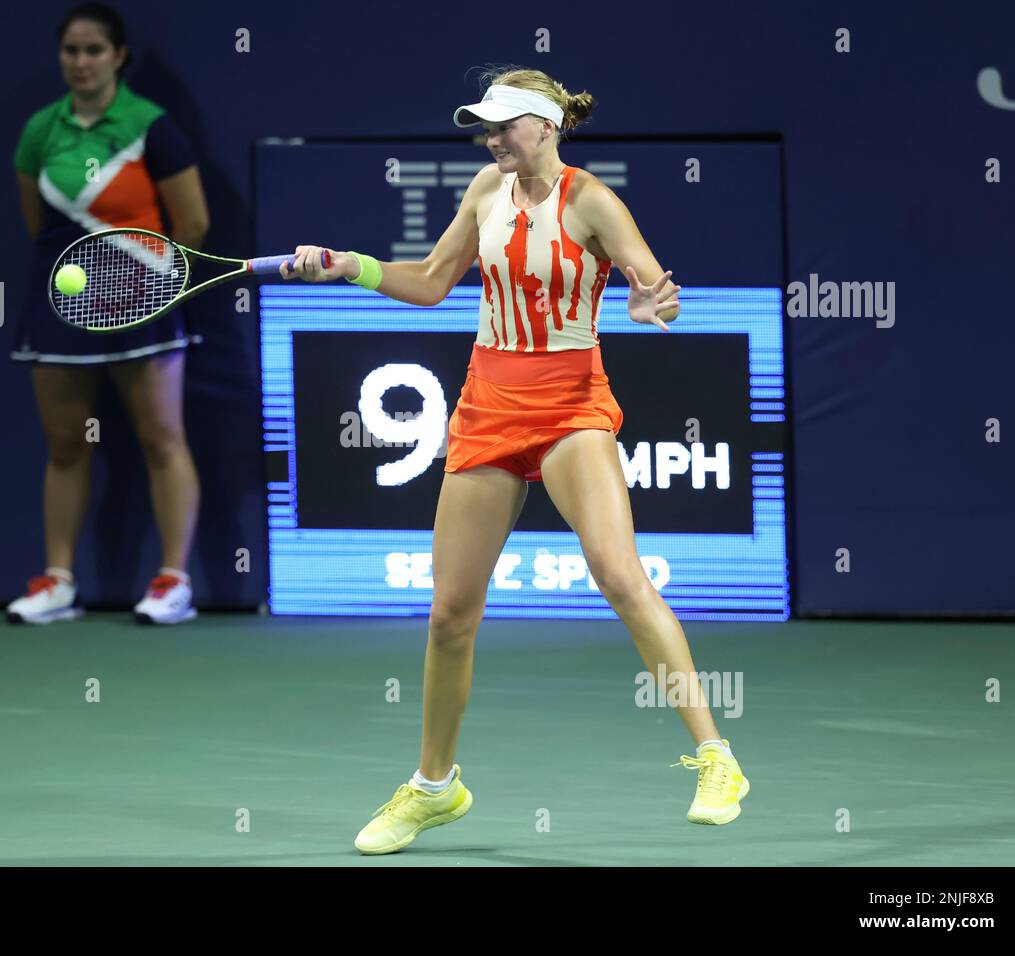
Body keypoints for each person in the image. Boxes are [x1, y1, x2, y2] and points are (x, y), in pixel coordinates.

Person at [281, 67, 750, 854]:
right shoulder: (482, 192)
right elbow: (431, 284)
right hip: (487, 404)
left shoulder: (592, 201)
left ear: (547, 126)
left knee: (621, 576)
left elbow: (653, 288)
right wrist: (349, 265)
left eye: (504, 126)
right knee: (450, 614)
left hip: (571, 405)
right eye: (485, 127)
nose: (491, 138)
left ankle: (716, 757)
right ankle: (435, 788)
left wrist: (649, 303)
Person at [7, 3, 208, 625]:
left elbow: (193, 223)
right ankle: (59, 582)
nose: (82, 62)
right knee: (66, 444)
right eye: (71, 50)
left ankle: (173, 582)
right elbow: (38, 224)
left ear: (118, 56)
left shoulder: (151, 126)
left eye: (94, 50)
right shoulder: (41, 129)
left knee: (161, 438)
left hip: (145, 303)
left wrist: (149, 289)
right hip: (61, 307)